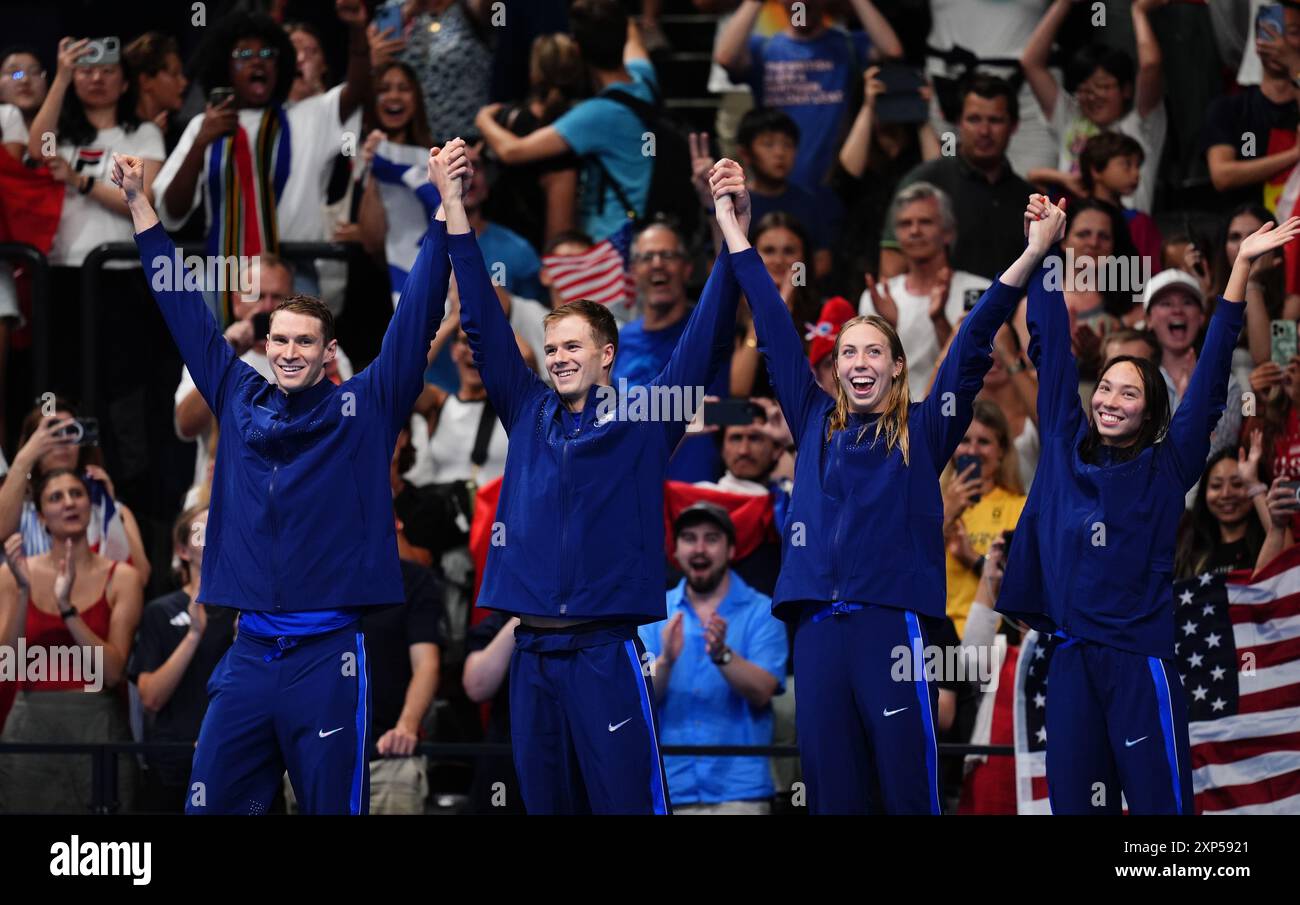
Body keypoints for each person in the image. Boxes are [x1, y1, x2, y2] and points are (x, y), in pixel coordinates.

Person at [110, 134, 467, 815]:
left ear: (330, 352)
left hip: (326, 658)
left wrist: (448, 205)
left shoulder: (366, 405)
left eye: (306, 340)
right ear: (264, 345)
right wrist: (141, 208)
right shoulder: (236, 394)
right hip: (246, 653)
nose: (291, 350)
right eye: (280, 339)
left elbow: (418, 309)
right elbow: (182, 309)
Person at [724, 166, 1065, 813]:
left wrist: (1032, 250)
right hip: (817, 632)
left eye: (873, 353)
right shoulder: (813, 419)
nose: (858, 364)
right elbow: (771, 323)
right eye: (848, 353)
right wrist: (731, 227)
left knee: (909, 789)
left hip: (891, 626)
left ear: (896, 365)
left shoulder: (929, 428)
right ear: (833, 367)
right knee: (831, 793)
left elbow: (971, 343)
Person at [452, 155, 745, 815]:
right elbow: (480, 321)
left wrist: (728, 235)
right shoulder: (525, 410)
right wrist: (453, 212)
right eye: (551, 348)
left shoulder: (644, 420)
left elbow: (702, 344)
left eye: (573, 347)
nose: (558, 358)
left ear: (607, 355)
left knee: (627, 805)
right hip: (530, 652)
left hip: (604, 652)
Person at [995, 198, 1300, 815]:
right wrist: (1047, 248)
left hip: (1141, 664)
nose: (1109, 399)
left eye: (1128, 392)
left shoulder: (1168, 466)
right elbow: (1050, 345)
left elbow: (1214, 371)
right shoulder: (1061, 447)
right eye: (1105, 386)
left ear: (1151, 410)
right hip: (1072, 662)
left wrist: (1238, 269)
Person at [152, 3, 371, 316]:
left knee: (299, 364)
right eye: (244, 55)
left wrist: (357, 30)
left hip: (295, 272)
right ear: (224, 66)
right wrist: (201, 143)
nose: (258, 61)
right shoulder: (205, 125)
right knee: (216, 365)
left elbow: (359, 90)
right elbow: (171, 211)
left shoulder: (308, 117)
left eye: (267, 54)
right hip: (224, 274)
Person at [0, 469, 144, 812]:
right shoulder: (12, 574)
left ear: (89, 505)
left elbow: (111, 673)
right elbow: (7, 664)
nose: (68, 503)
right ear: (40, 517)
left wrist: (67, 610)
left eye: (76, 494)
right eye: (55, 497)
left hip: (97, 722)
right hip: (31, 725)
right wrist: (24, 591)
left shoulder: (123, 577)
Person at [639, 503, 787, 814]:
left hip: (740, 792)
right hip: (670, 788)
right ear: (675, 552)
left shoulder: (763, 611)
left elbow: (762, 692)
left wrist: (723, 655)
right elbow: (640, 702)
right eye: (690, 538)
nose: (700, 549)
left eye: (712, 538)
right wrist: (665, 660)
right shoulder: (652, 613)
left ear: (731, 549)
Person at [474, 1, 656, 242]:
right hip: (640, 228)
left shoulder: (595, 115)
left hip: (609, 240)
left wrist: (483, 119)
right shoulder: (645, 79)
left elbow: (512, 150)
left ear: (578, 51)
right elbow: (630, 30)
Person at [714, 0, 902, 196]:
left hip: (835, 180)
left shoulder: (848, 46)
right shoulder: (764, 49)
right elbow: (725, 58)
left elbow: (892, 51)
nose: (801, 6)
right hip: (776, 184)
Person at [128, 505, 235, 813]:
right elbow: (150, 698)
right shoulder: (160, 612)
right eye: (203, 531)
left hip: (234, 758)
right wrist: (193, 635)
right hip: (174, 763)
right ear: (182, 549)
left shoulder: (248, 612)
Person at [877, 74, 1035, 282]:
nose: (984, 131)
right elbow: (891, 271)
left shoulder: (1028, 198)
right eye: (974, 119)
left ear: (1014, 126)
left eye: (995, 120)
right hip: (934, 312)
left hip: (1014, 314)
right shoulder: (925, 181)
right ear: (958, 123)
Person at [1020, 0, 1167, 213]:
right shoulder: (1070, 117)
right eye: (1085, 89)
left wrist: (1139, 11)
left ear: (1126, 89)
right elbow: (1031, 63)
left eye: (1102, 86)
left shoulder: (1141, 124)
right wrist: (1064, 3)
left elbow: (1150, 65)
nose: (1093, 96)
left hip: (1128, 237)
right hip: (1076, 237)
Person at [859, 182, 991, 399]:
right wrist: (890, 328)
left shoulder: (978, 291)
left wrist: (939, 319)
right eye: (905, 224)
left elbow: (979, 367)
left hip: (966, 419)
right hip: (897, 419)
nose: (914, 230)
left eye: (925, 222)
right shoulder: (878, 297)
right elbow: (867, 374)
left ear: (948, 232)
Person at [0, 401, 150, 582]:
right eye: (53, 433)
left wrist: (110, 510)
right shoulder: (18, 511)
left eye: (71, 432)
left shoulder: (110, 509)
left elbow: (140, 577)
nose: (63, 441)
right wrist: (25, 458)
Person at [941, 400, 1027, 637]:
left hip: (993, 642)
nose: (972, 451)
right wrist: (946, 514)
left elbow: (1023, 588)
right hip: (938, 636)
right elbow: (904, 568)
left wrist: (974, 559)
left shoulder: (1020, 509)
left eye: (984, 442)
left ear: (1002, 450)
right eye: (965, 441)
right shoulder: (932, 505)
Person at [1173, 445, 1267, 581]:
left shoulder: (1270, 542)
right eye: (1216, 486)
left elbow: (1278, 533)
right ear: (1204, 493)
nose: (1226, 494)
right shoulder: (1189, 548)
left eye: (1238, 484)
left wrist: (1254, 484)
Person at [124, 32, 188, 141]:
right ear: (146, 81)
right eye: (174, 74)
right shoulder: (119, 132)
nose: (184, 82)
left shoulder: (183, 134)